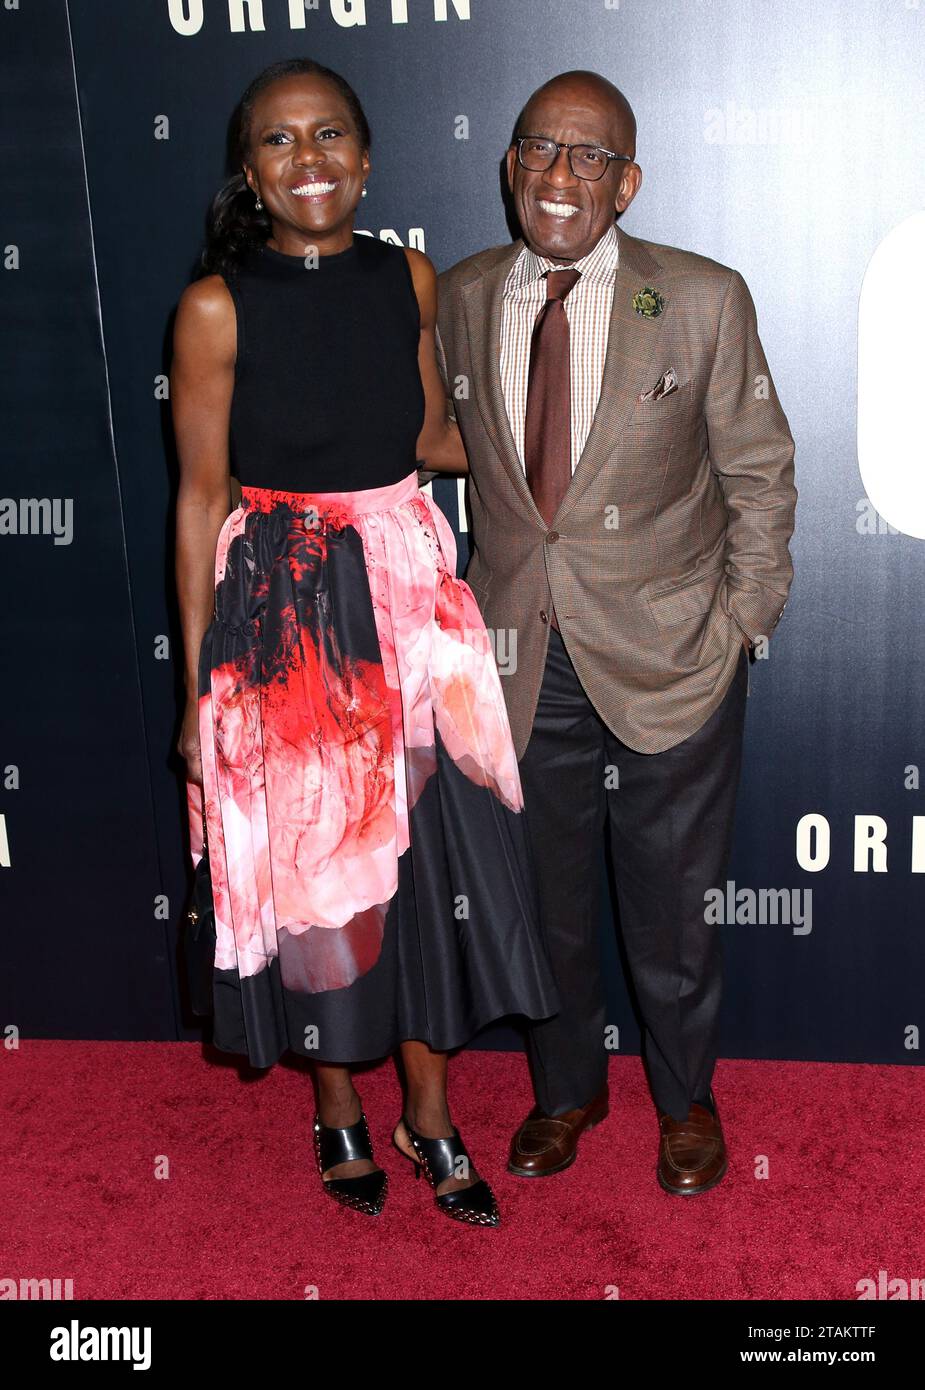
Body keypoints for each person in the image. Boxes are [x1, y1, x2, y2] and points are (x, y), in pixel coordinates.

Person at [171, 58, 558, 1227]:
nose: (310, 161)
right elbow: (197, 497)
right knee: (322, 882)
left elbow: (432, 432)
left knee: (431, 867)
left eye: (330, 134)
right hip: (288, 617)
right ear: (249, 171)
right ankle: (337, 1103)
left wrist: (552, 448)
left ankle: (429, 1114)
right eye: (280, 142)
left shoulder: (411, 277)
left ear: (368, 155)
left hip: (407, 597)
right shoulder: (214, 307)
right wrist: (200, 686)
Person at [435, 70, 797, 1194]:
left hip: (671, 655)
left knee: (673, 907)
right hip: (518, 659)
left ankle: (685, 1101)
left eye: (589, 156)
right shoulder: (458, 294)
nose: (558, 174)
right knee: (546, 904)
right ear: (508, 167)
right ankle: (565, 1090)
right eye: (538, 147)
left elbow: (760, 474)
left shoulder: (698, 297)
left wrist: (740, 623)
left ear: (627, 181)